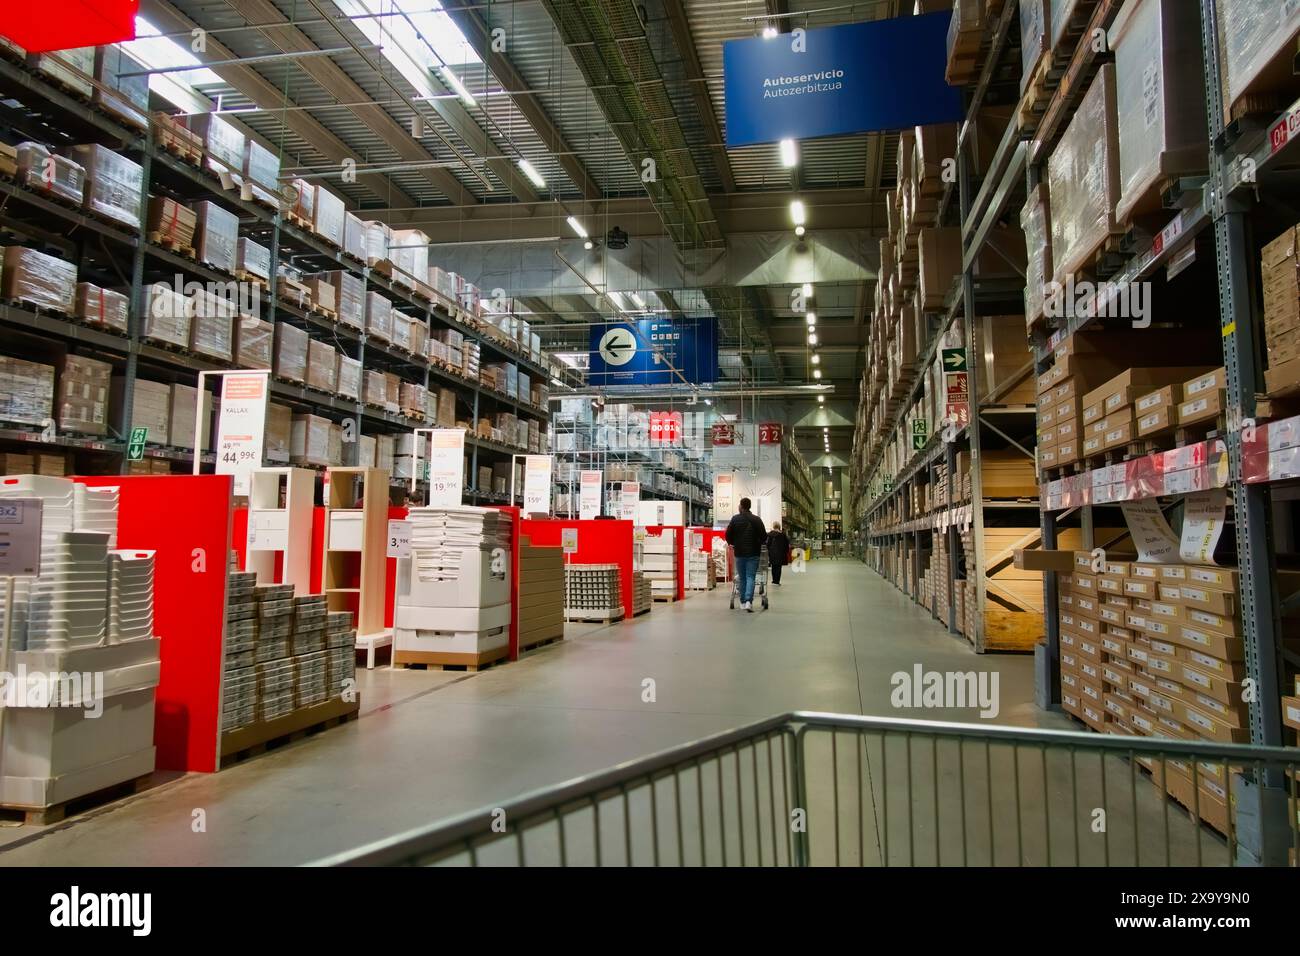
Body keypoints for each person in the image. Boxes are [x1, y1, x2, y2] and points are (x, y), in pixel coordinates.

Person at [725, 497, 766, 611]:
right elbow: (764, 536)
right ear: (750, 506)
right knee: (750, 577)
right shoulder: (757, 520)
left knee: (742, 578)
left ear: (741, 506)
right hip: (753, 553)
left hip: (739, 553)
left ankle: (743, 602)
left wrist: (732, 543)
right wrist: (758, 542)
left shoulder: (735, 519)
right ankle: (748, 601)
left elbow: (728, 534)